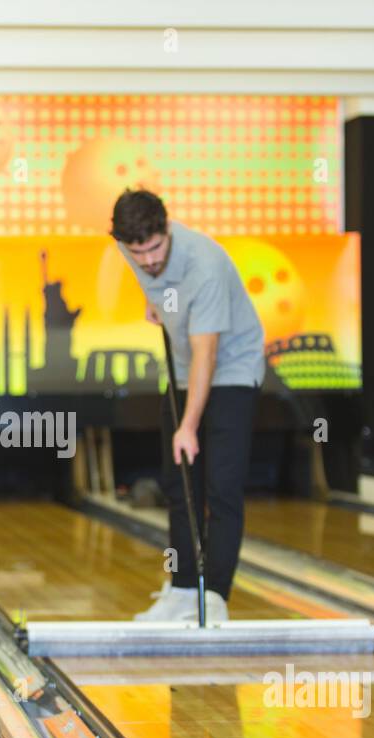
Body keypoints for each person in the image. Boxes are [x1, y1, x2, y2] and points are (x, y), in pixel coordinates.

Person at [110, 189, 265, 622]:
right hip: (183, 369)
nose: (146, 261)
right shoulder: (131, 245)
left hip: (231, 369)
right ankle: (181, 587)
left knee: (221, 486)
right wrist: (157, 301)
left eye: (154, 249)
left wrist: (188, 425)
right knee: (178, 484)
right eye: (137, 253)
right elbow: (156, 284)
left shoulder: (205, 266)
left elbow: (207, 355)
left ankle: (214, 595)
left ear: (167, 229)